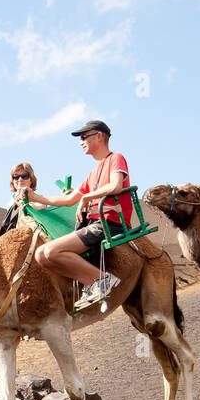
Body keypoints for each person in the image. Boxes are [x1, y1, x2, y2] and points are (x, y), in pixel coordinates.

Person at [19, 119, 126, 310]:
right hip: (93, 224)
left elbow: (116, 185)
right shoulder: (92, 174)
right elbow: (67, 200)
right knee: (41, 255)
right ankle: (92, 283)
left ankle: (104, 279)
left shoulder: (115, 158)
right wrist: (35, 197)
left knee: (51, 251)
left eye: (84, 136)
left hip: (108, 223)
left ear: (99, 136)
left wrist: (87, 198)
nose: (81, 141)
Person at [0, 162, 36, 256]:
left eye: (24, 176)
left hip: (30, 240)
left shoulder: (37, 199)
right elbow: (9, 229)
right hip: (11, 238)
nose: (20, 179)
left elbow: (41, 207)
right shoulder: (11, 203)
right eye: (16, 176)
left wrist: (23, 204)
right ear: (12, 181)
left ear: (31, 180)